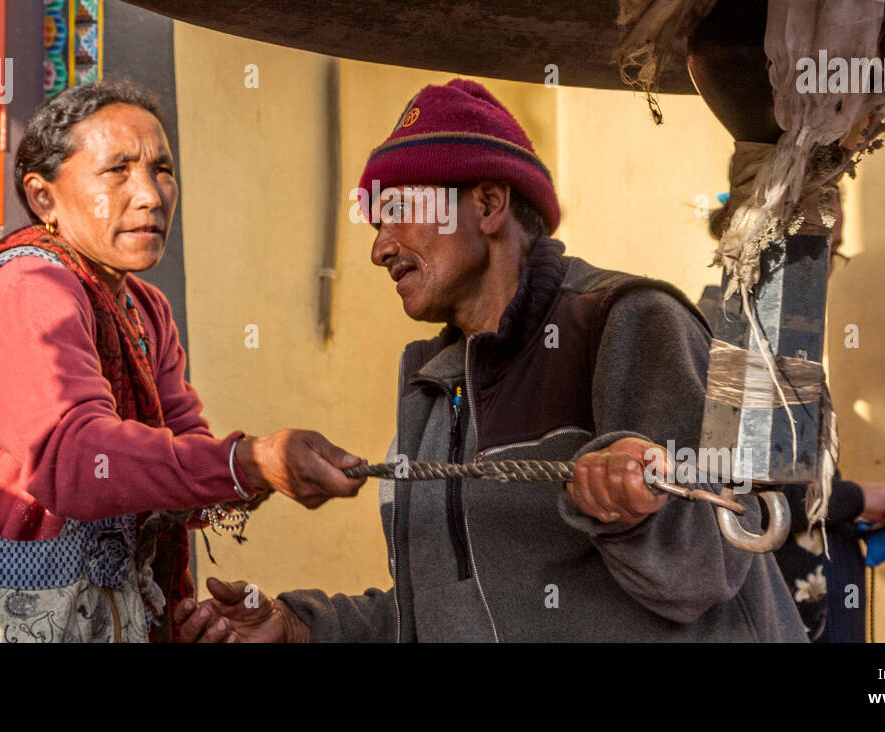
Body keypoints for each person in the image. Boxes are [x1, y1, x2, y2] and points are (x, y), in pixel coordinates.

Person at [175, 78, 808, 642]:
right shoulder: (432, 389)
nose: (379, 249)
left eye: (397, 212)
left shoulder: (624, 322)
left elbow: (710, 566)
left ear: (487, 204)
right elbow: (445, 615)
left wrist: (630, 513)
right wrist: (299, 627)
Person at [0, 80, 364, 643]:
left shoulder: (144, 311)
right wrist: (247, 462)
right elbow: (73, 459)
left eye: (162, 169)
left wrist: (255, 473)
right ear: (43, 196)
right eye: (118, 170)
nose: (150, 195)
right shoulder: (29, 285)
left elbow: (187, 470)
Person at [701, 188, 885, 641]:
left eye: (835, 250)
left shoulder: (780, 345)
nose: (826, 268)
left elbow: (783, 485)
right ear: (758, 243)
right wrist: (857, 499)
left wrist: (859, 517)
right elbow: (722, 497)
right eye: (817, 245)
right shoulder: (723, 343)